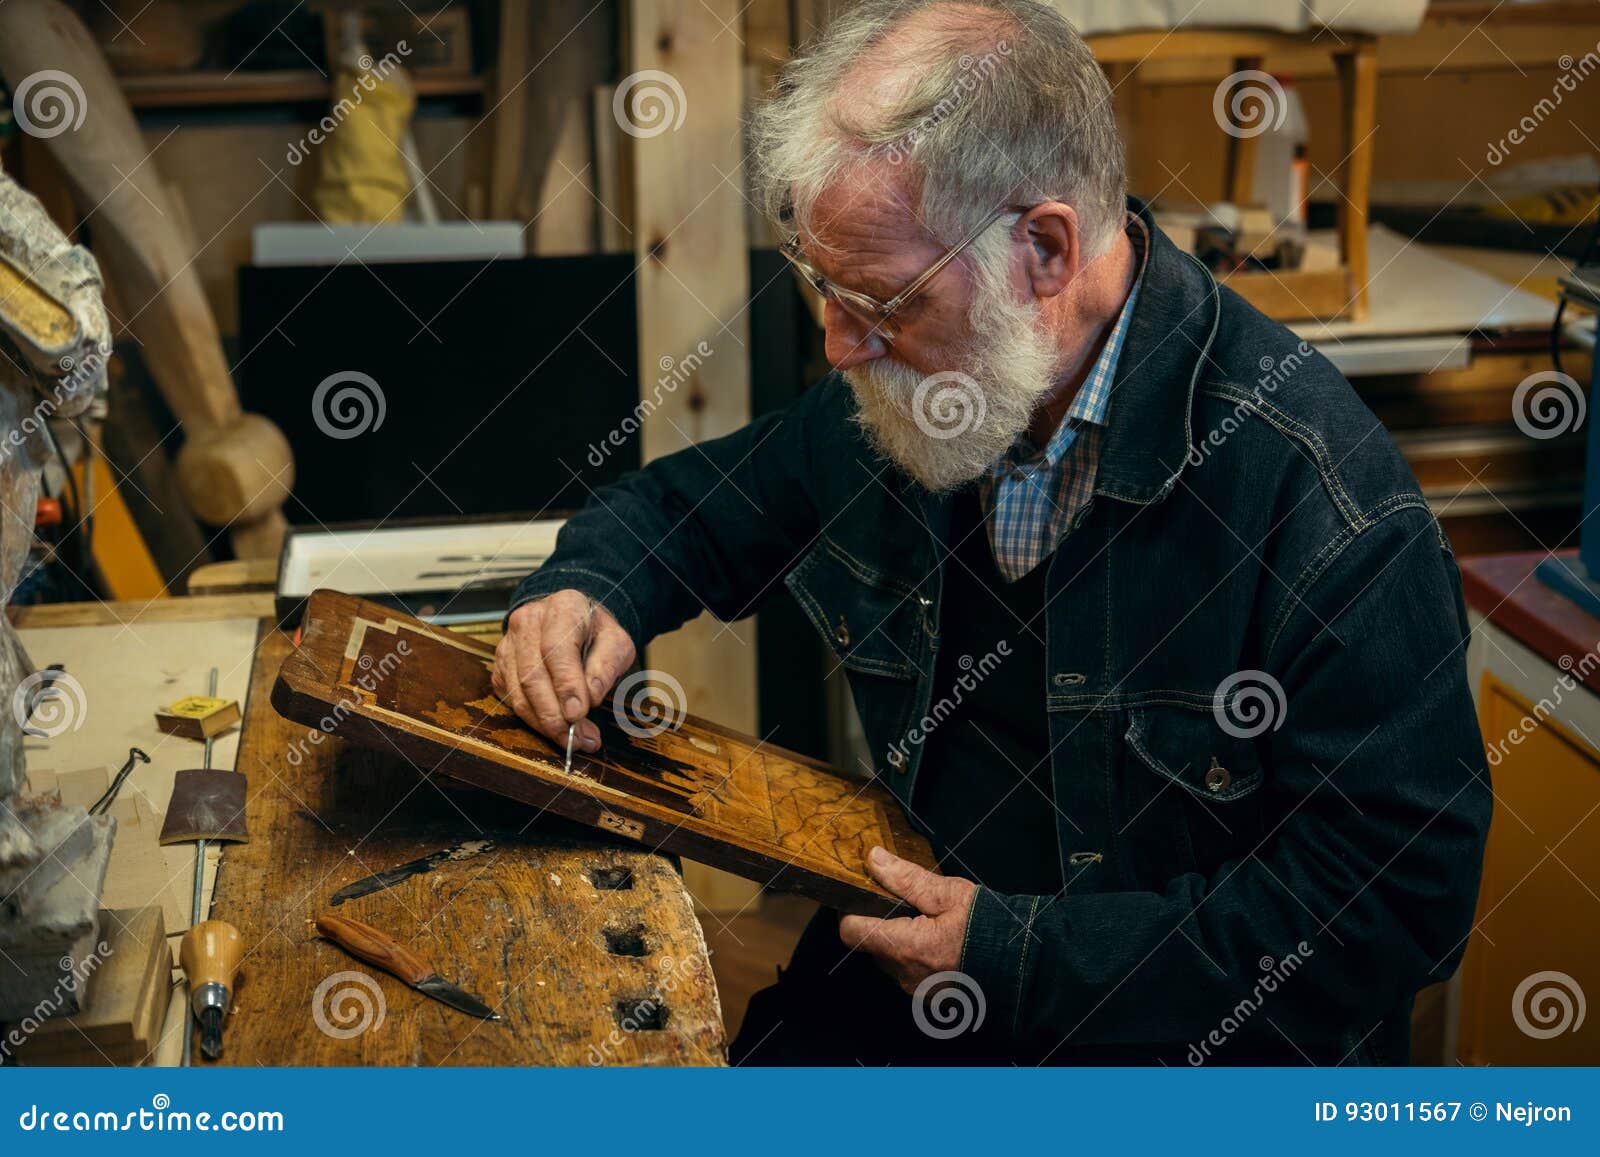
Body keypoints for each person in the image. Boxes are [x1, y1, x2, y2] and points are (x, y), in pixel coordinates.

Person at [495, 0, 1490, 1065]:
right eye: (823, 287)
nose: (838, 345)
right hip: (909, 988)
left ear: (1046, 250)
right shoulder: (919, 391)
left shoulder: (1320, 497)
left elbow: (1397, 901)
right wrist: (588, 591)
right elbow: (679, 511)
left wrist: (1021, 958)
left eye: (879, 300)